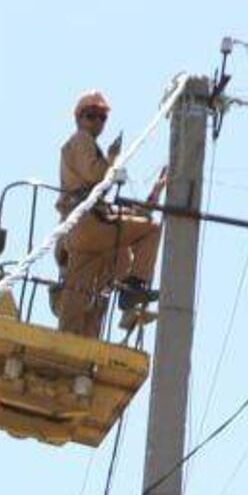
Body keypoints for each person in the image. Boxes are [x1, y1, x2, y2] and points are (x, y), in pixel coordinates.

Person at [55, 89, 165, 337]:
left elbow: (108, 203)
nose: (97, 122)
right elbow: (95, 175)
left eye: (102, 117)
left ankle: (70, 338)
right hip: (87, 223)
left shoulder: (80, 144)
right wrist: (113, 159)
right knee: (150, 229)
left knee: (82, 289)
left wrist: (154, 194)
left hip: (78, 229)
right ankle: (133, 288)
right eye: (91, 115)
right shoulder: (81, 140)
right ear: (79, 118)